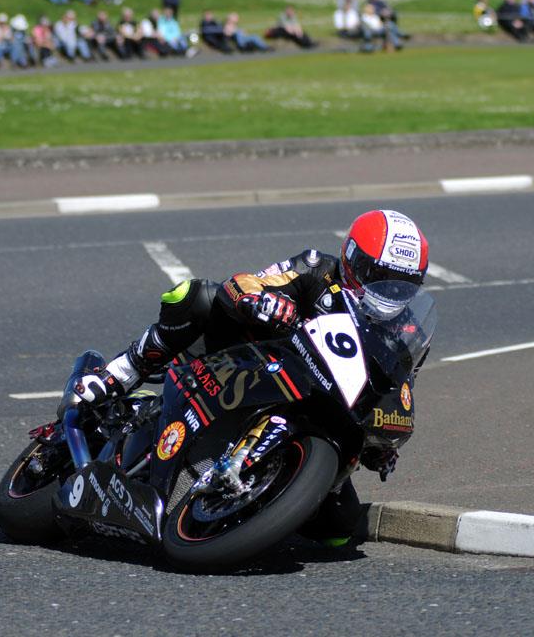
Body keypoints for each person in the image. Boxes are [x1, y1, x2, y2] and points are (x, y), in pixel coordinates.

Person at [70, 209, 430, 546]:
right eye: (379, 277)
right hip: (246, 362)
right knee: (193, 296)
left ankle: (255, 502)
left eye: (402, 284)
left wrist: (379, 445)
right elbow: (245, 282)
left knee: (339, 530)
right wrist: (261, 301)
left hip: (318, 408)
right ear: (352, 259)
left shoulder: (406, 326)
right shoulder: (316, 268)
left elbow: (396, 385)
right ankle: (119, 373)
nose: (388, 293)